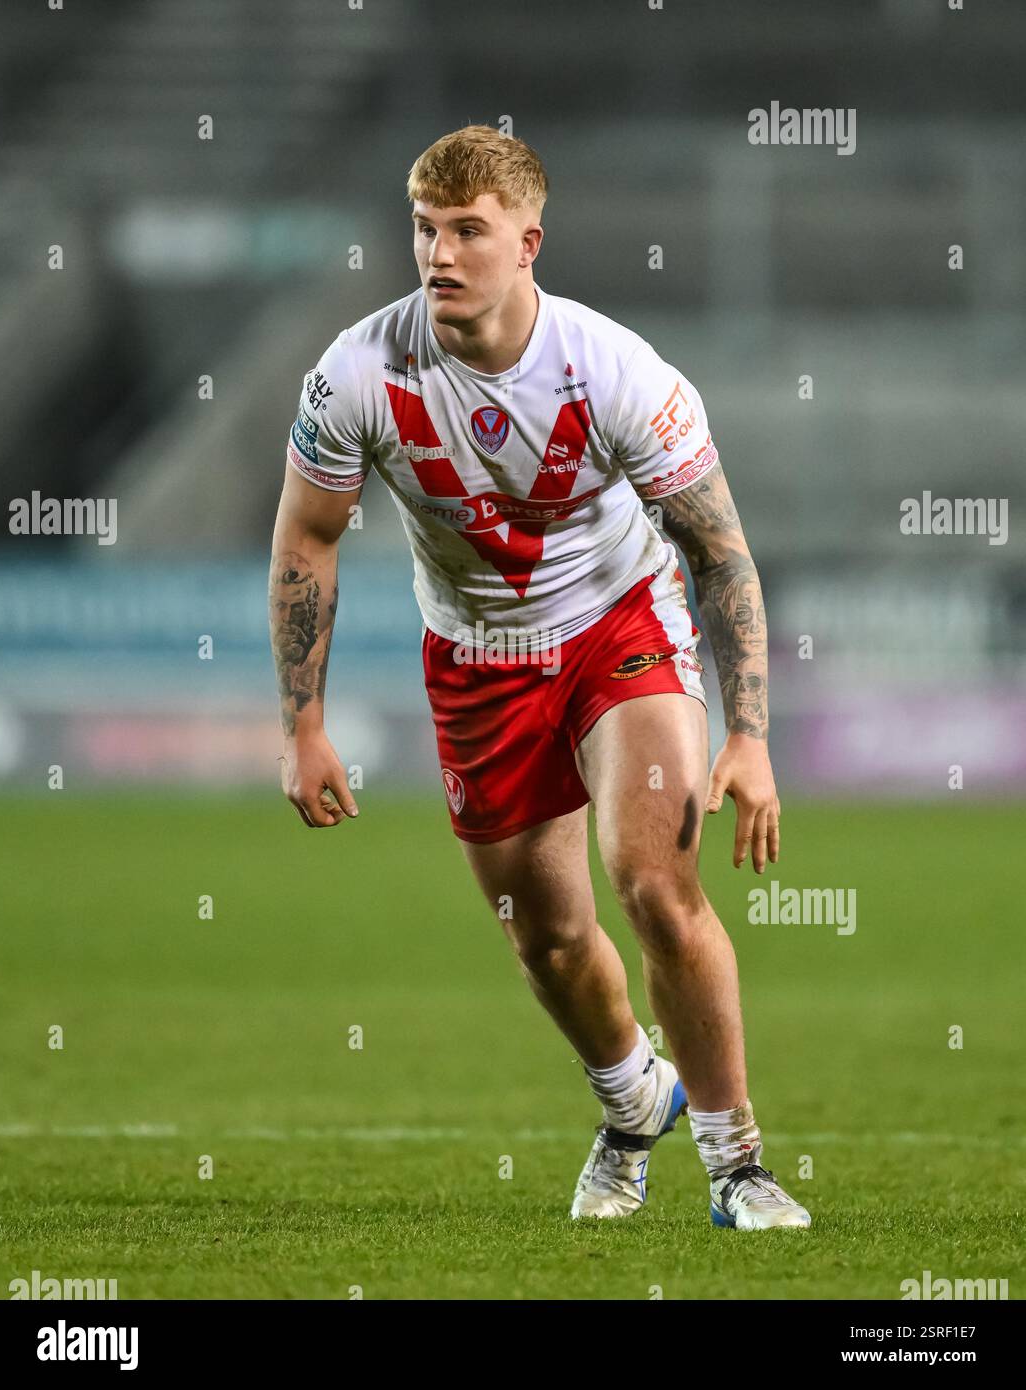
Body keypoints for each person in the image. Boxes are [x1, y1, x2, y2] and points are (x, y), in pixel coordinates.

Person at [268, 125, 810, 1229]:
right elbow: (305, 542)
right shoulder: (356, 374)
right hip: (476, 658)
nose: (438, 254)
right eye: (425, 229)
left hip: (621, 627)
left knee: (652, 881)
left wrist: (748, 734)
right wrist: (303, 725)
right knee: (546, 935)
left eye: (468, 230)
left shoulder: (615, 372)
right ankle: (628, 1108)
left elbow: (718, 552)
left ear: (528, 245)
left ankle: (736, 1164)